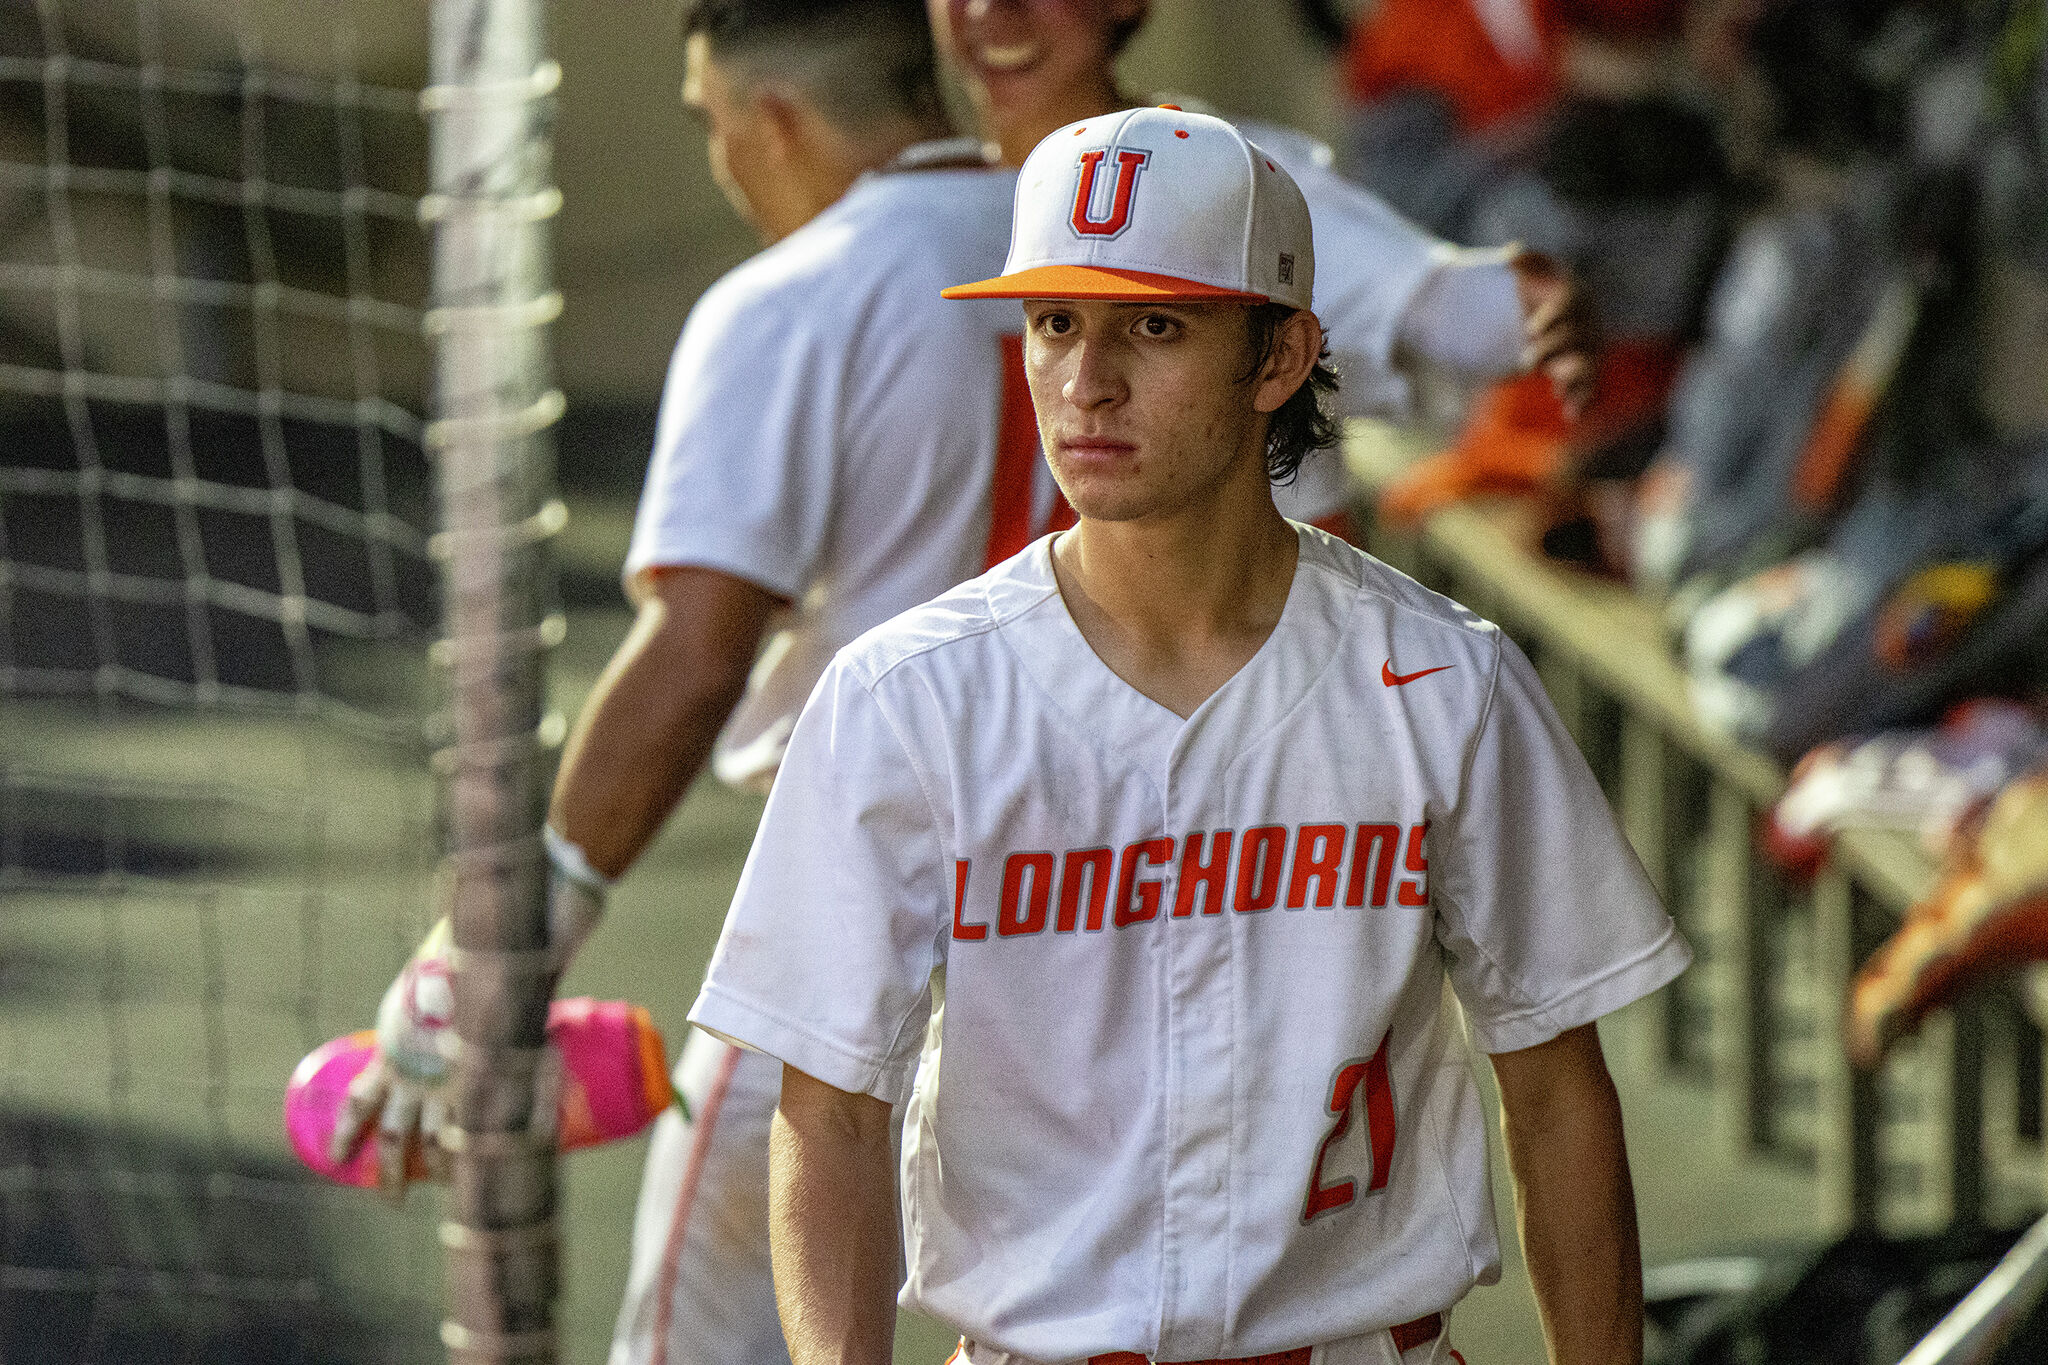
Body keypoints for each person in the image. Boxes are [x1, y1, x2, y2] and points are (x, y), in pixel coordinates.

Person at [691, 106, 1690, 1365]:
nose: (1085, 382)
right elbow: (831, 1110)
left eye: (1153, 326)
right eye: (1055, 324)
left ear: (1279, 357)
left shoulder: (1444, 682)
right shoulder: (906, 697)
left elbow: (1553, 1089)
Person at [330, 4, 1053, 1363]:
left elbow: (697, 654)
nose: (722, 163)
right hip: (1105, 900)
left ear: (772, 120)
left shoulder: (798, 295)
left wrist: (499, 951)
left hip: (872, 906)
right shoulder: (1083, 252)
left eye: (713, 126)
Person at [926, 0, 1600, 504]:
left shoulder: (1237, 179)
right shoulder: (905, 205)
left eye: (1156, 324)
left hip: (1267, 634)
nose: (988, 8)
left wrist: (1532, 307)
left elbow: (1464, 311)